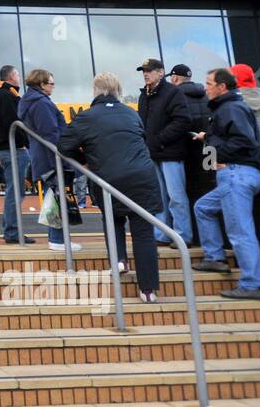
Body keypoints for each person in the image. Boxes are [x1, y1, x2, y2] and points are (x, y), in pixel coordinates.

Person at [57, 72, 163, 303]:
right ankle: (148, 290)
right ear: (118, 91)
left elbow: (64, 146)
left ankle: (119, 260)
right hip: (142, 176)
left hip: (108, 177)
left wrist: (85, 159)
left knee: (112, 217)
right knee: (144, 233)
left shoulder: (87, 117)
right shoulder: (131, 113)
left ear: (95, 91)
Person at [193, 68, 260, 301]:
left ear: (222, 87)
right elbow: (230, 136)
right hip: (237, 175)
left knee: (240, 231)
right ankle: (215, 258)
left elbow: (245, 140)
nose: (205, 88)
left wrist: (220, 156)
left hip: (237, 174)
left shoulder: (231, 107)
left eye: (209, 83)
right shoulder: (226, 108)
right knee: (203, 208)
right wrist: (208, 139)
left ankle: (251, 285)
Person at [17, 68, 79, 251]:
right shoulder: (41, 104)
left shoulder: (33, 101)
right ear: (41, 84)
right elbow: (50, 133)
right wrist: (59, 161)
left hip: (44, 156)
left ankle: (58, 239)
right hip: (50, 157)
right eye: (51, 83)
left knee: (54, 198)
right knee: (56, 197)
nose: (53, 87)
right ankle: (58, 240)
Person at [136, 58, 193, 248]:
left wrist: (158, 140)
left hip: (171, 153)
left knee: (176, 196)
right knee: (158, 196)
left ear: (161, 72)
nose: (145, 74)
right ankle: (161, 234)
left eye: (149, 70)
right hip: (152, 153)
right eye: (143, 71)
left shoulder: (173, 92)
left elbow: (183, 120)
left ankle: (183, 236)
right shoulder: (144, 95)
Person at [0, 65, 35, 244]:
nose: (19, 77)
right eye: (17, 74)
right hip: (13, 149)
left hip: (8, 149)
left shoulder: (1, 95)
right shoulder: (7, 96)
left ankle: (10, 226)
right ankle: (12, 231)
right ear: (11, 77)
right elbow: (14, 123)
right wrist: (29, 141)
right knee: (15, 192)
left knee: (13, 191)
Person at [169, 63, 212, 245]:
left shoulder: (175, 97)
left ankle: (188, 235)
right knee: (207, 194)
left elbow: (177, 125)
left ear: (175, 78)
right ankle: (207, 239)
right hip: (207, 153)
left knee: (183, 194)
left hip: (184, 153)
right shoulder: (206, 96)